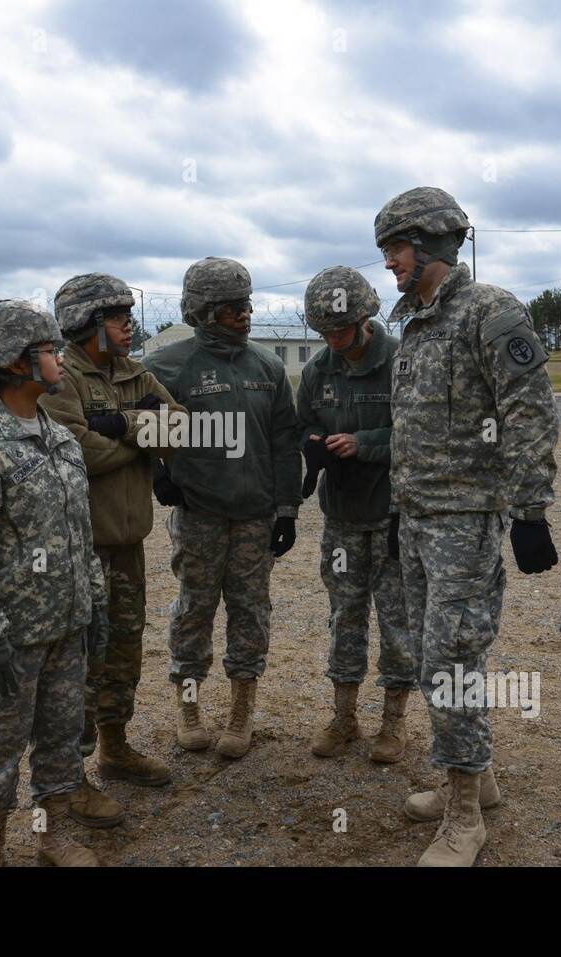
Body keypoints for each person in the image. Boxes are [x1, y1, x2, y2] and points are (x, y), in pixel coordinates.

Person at [378, 186, 559, 866]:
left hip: (466, 521)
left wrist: (530, 510)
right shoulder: (413, 321)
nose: (389, 261)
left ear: (427, 245)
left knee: (450, 660)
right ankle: (476, 779)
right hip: (419, 517)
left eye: (395, 247)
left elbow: (529, 411)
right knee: (439, 659)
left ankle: (461, 818)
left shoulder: (491, 311)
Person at [0, 299, 109, 867]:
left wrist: (94, 605)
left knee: (62, 738)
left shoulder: (58, 437)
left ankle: (52, 835)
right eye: (47, 350)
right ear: (14, 364)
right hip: (11, 638)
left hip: (66, 625)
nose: (59, 358)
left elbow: (79, 535)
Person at [145, 257, 302, 759]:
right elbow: (144, 432)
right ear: (203, 311)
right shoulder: (167, 367)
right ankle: (189, 706)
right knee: (194, 609)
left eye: (247, 304)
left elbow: (283, 441)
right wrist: (161, 478)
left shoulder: (267, 367)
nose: (245, 314)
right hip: (199, 515)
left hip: (255, 515)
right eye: (233, 307)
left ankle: (241, 711)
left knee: (251, 610)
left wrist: (287, 509)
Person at [41, 274, 186, 811]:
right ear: (88, 324)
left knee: (124, 649)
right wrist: (143, 438)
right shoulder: (60, 378)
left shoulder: (134, 371)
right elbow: (77, 452)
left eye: (129, 314)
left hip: (127, 545)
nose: (130, 323)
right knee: (80, 662)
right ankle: (67, 776)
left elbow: (184, 431)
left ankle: (114, 747)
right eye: (118, 316)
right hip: (81, 548)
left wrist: (120, 423)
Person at [296, 266, 417, 763]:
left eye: (341, 330)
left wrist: (363, 444)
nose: (334, 340)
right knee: (344, 616)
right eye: (325, 333)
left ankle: (394, 721)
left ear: (366, 318)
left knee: (396, 621)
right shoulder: (318, 371)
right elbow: (301, 427)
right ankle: (344, 716)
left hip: (392, 518)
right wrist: (313, 447)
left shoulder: (401, 361)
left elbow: (420, 433)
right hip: (342, 519)